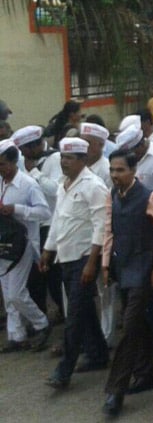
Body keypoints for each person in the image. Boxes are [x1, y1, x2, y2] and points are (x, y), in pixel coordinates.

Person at [100, 149, 153, 416]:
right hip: (123, 268)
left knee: (129, 326)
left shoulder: (148, 197)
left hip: (144, 270)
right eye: (112, 170)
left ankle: (114, 392)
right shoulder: (112, 196)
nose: (115, 175)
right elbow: (109, 230)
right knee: (137, 325)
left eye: (120, 170)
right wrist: (106, 263)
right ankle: (147, 373)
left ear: (133, 172)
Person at [41, 137, 111, 389]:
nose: (64, 162)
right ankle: (99, 354)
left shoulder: (94, 186)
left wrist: (93, 263)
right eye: (62, 157)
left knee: (75, 316)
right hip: (66, 258)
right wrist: (48, 250)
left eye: (69, 158)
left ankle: (64, 370)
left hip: (84, 259)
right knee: (85, 311)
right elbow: (58, 220)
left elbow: (101, 227)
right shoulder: (64, 185)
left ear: (82, 159)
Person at [0, 139, 52, 352]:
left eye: (3, 164)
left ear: (13, 162)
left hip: (22, 244)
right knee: (7, 293)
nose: (1, 169)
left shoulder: (28, 184)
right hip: (3, 243)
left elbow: (44, 212)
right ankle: (16, 335)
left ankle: (42, 323)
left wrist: (17, 209)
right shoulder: (1, 182)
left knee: (16, 293)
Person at [12, 125, 64, 318]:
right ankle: (43, 315)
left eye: (24, 150)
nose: (22, 154)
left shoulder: (55, 159)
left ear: (33, 146)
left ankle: (63, 312)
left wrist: (36, 174)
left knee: (52, 275)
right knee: (36, 276)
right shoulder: (24, 162)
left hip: (51, 224)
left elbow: (57, 191)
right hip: (32, 225)